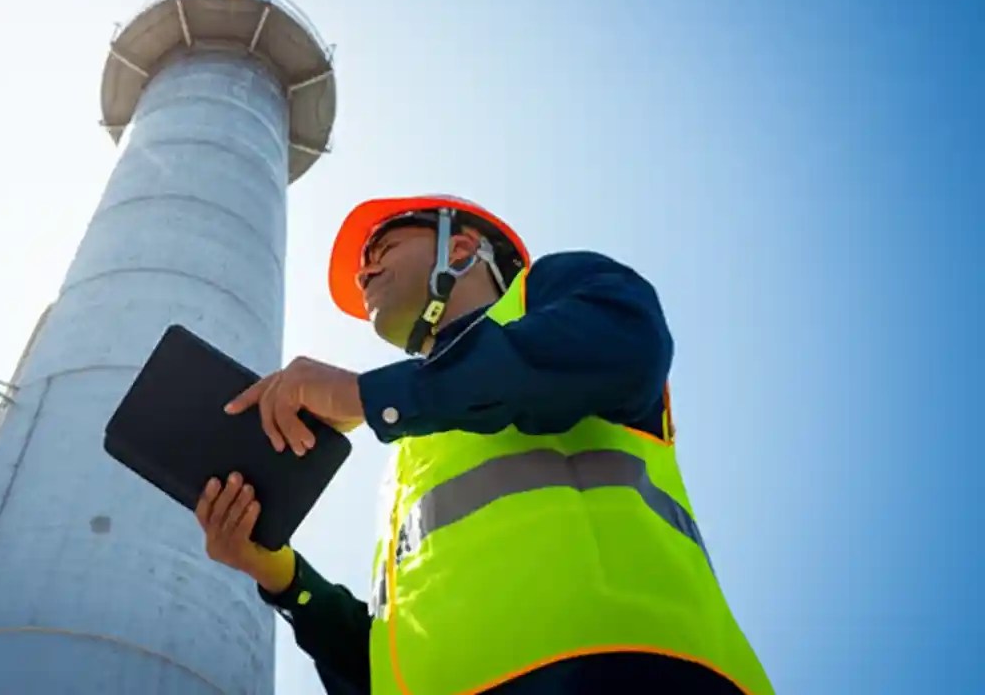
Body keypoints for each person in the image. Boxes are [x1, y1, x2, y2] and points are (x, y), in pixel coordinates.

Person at [193, 194, 775, 694]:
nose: (364, 273)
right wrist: (283, 578)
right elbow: (390, 664)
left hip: (632, 674)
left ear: (461, 248)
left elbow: (617, 352)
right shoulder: (411, 454)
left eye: (382, 249)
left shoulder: (560, 291)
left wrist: (365, 396)